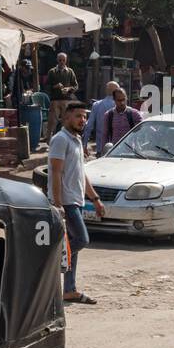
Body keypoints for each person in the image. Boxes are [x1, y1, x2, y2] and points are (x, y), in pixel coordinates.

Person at [49, 101, 104, 304]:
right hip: (66, 202)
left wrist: (95, 198)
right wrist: (57, 203)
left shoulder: (77, 141)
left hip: (77, 200)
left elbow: (82, 174)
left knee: (74, 248)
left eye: (84, 117)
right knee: (81, 240)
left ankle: (69, 289)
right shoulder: (60, 139)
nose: (83, 120)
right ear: (66, 117)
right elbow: (55, 172)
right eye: (78, 116)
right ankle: (48, 266)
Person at [82, 80, 121, 156]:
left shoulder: (96, 105)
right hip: (118, 148)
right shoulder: (121, 105)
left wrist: (84, 144)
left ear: (106, 91)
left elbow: (89, 126)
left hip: (101, 148)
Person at [46, 53, 79, 137]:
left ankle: (65, 139)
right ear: (57, 60)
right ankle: (49, 141)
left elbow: (75, 86)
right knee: (52, 122)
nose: (61, 62)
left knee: (66, 122)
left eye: (63, 60)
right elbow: (46, 86)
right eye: (60, 60)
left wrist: (68, 89)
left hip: (66, 100)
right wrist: (55, 86)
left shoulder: (70, 71)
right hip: (55, 100)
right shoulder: (52, 72)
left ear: (66, 61)